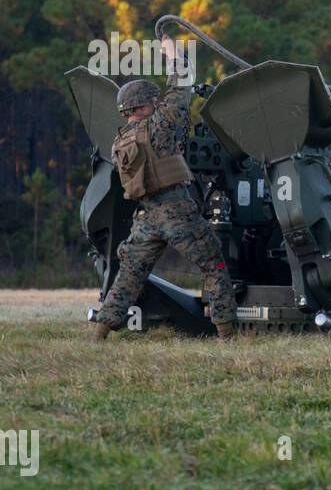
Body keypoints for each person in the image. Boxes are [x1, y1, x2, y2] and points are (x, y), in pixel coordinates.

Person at [91, 60, 237, 341]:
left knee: (129, 276)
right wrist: (174, 56)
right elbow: (179, 89)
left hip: (147, 216)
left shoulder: (119, 141)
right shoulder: (157, 126)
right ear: (144, 106)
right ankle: (227, 334)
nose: (157, 104)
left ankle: (99, 335)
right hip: (177, 211)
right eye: (153, 102)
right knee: (213, 265)